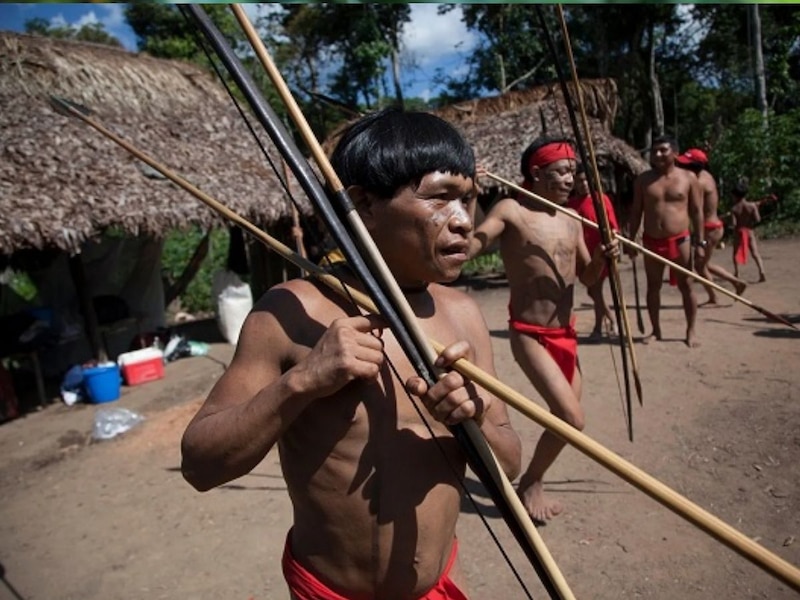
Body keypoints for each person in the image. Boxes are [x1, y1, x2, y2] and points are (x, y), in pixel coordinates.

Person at [180, 107, 522, 600]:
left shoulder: (463, 314)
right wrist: (301, 382)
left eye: (469, 201)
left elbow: (509, 463)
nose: (464, 222)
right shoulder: (291, 312)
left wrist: (474, 419)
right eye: (441, 199)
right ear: (363, 204)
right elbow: (199, 466)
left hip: (440, 585)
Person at [469, 137, 619, 525]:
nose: (571, 179)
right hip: (529, 333)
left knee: (566, 421)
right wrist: (469, 195)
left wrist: (603, 257)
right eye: (562, 172)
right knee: (572, 419)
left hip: (566, 333)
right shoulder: (511, 211)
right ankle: (531, 480)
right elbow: (471, 246)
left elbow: (587, 277)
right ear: (536, 173)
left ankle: (532, 480)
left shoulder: (572, 218)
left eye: (573, 171)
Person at [625, 136, 705, 347]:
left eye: (663, 150)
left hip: (680, 241)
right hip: (652, 241)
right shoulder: (643, 180)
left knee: (686, 286)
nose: (657, 154)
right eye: (654, 151)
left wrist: (701, 243)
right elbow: (636, 213)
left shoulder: (688, 178)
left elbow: (697, 212)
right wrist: (630, 239)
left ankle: (691, 331)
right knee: (653, 287)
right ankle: (655, 330)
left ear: (675, 153)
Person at [674, 148, 747, 303]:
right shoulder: (706, 176)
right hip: (712, 226)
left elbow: (696, 210)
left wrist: (697, 238)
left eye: (685, 165)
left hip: (709, 228)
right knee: (703, 264)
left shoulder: (699, 182)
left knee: (700, 266)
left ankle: (715, 295)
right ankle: (735, 283)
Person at [566, 165, 620, 338]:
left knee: (595, 290)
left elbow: (614, 228)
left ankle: (600, 326)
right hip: (582, 255)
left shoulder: (601, 199)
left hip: (600, 253)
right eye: (579, 180)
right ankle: (610, 320)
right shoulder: (571, 204)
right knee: (592, 290)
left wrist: (613, 245)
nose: (583, 184)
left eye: (585, 180)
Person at [730, 182, 767, 282]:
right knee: (755, 253)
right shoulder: (752, 206)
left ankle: (737, 273)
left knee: (735, 253)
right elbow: (758, 219)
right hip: (749, 231)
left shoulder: (734, 209)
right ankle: (761, 271)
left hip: (738, 232)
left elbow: (734, 224)